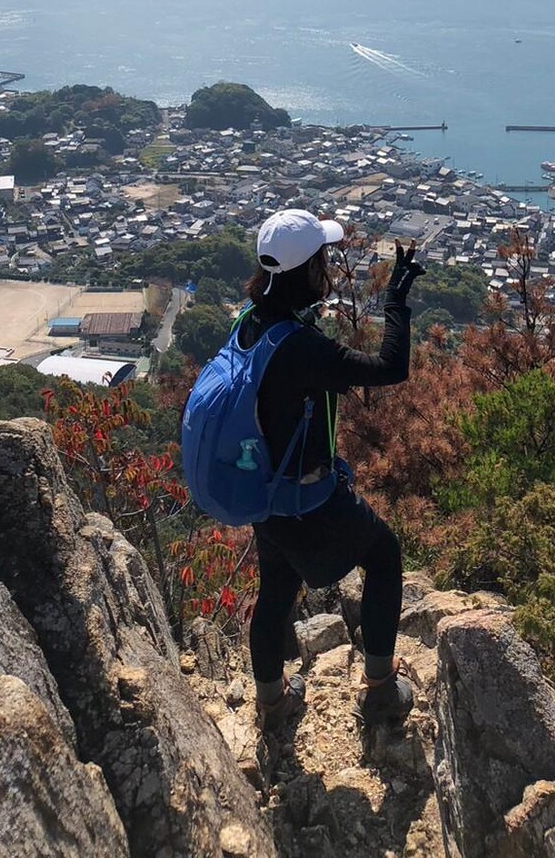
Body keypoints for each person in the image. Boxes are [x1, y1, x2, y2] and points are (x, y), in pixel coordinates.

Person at [238, 207, 424, 731]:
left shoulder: (250, 323)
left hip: (264, 493)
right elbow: (391, 368)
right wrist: (395, 302)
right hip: (307, 498)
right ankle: (381, 690)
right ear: (308, 270)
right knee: (384, 556)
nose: (327, 267)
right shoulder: (300, 347)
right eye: (322, 259)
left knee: (276, 591)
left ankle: (272, 703)